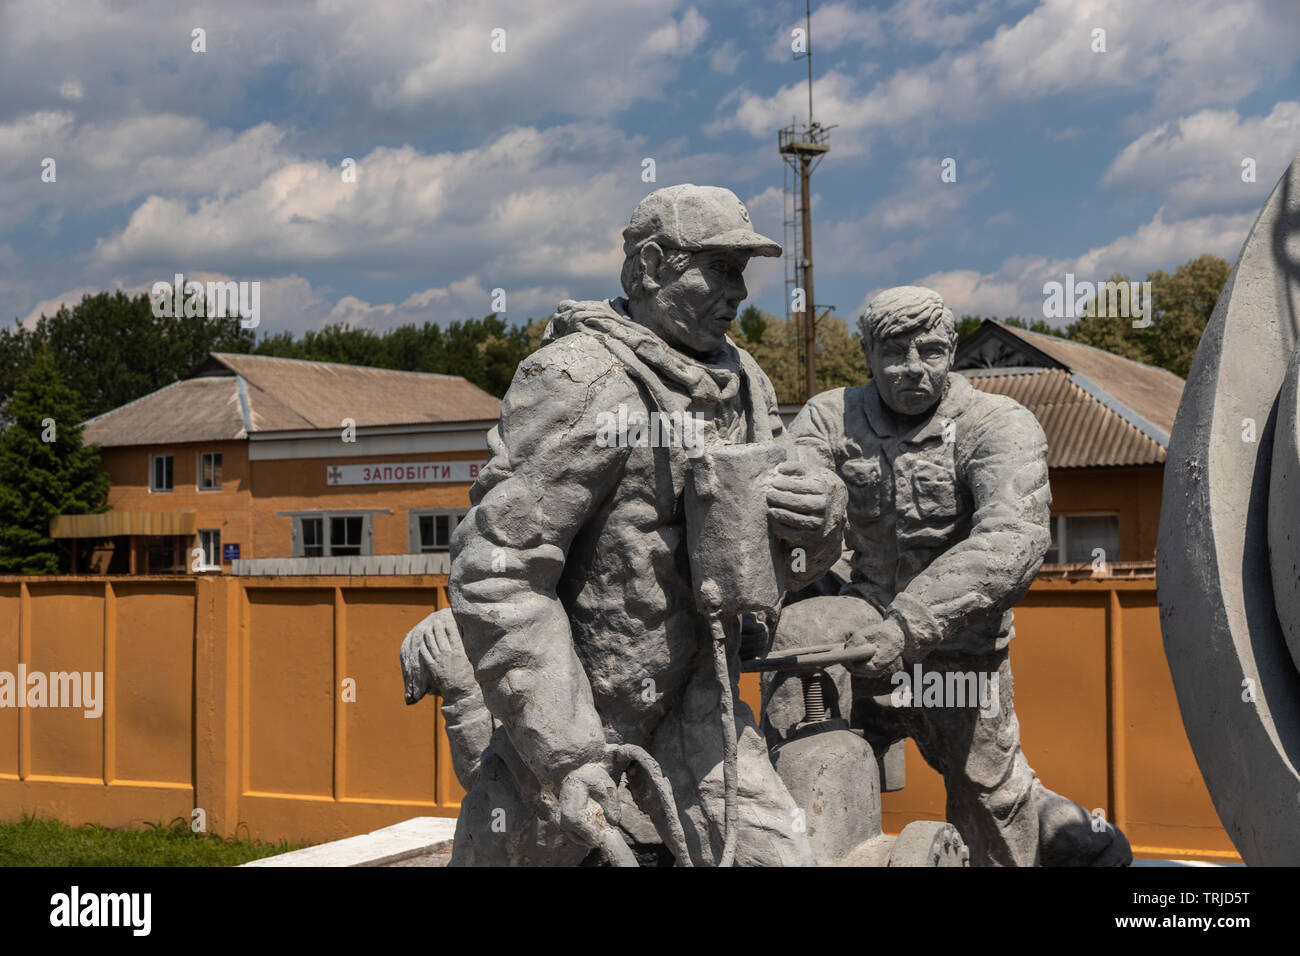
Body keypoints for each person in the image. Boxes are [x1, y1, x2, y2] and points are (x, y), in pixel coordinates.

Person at [439, 184, 845, 866]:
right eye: (717, 267)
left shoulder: (745, 381)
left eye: (741, 270)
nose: (739, 291)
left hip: (701, 706)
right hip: (580, 707)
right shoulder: (580, 378)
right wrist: (565, 754)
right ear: (651, 265)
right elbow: (498, 571)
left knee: (782, 857)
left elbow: (796, 531)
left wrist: (821, 516)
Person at [764, 285, 1132, 867]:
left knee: (992, 802)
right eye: (894, 352)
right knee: (797, 746)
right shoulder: (830, 416)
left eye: (930, 350)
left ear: (953, 351)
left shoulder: (997, 424)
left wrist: (906, 629)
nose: (913, 368)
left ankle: (1079, 843)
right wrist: (809, 506)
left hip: (961, 658)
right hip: (858, 644)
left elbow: (1011, 542)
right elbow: (796, 481)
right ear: (866, 353)